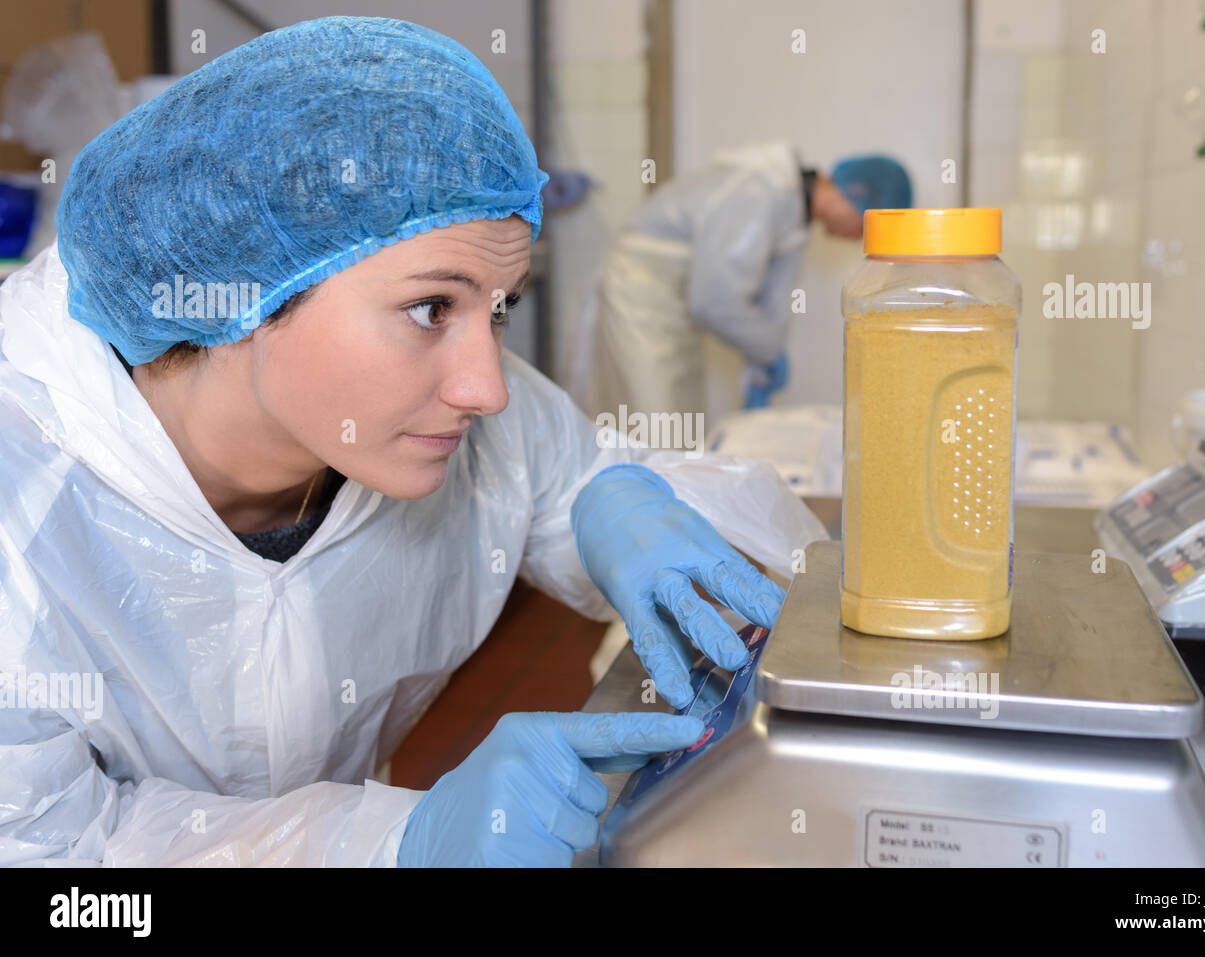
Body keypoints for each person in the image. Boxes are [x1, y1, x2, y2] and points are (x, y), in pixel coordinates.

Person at [0, 17, 826, 867]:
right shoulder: (21, 519)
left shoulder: (461, 426)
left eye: (500, 309)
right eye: (432, 307)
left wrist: (613, 502)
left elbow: (573, 478)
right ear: (241, 289)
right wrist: (391, 843)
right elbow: (53, 858)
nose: (487, 389)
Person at [584, 143, 911, 418]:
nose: (858, 238)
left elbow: (770, 303)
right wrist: (768, 352)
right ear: (856, 194)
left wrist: (762, 363)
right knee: (656, 423)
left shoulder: (793, 215)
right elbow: (715, 302)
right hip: (641, 292)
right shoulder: (761, 192)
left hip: (674, 301)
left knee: (678, 422)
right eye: (866, 226)